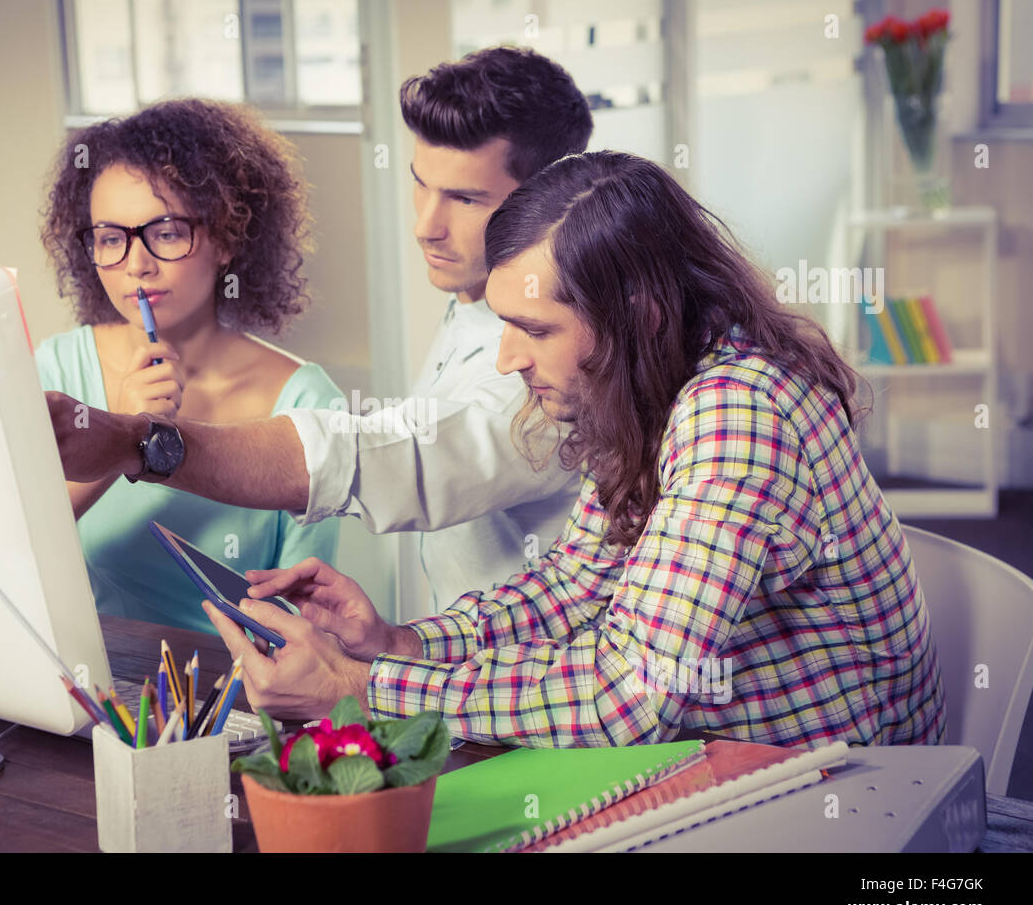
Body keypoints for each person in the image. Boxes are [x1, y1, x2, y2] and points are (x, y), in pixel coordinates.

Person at [200, 150, 947, 750]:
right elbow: (576, 586)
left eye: (535, 329)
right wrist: (395, 644)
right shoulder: (650, 378)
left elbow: (630, 697)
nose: (506, 360)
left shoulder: (738, 413)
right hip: (731, 757)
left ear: (641, 315)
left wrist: (361, 688)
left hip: (848, 796)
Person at [45, 46, 592, 614]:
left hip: (532, 683)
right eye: (420, 184)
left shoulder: (562, 356)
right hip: (451, 652)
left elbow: (403, 465)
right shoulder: (474, 298)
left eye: (464, 198)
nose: (426, 226)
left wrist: (139, 444)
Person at [36, 98, 342, 633]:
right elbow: (13, 548)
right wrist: (121, 433)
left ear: (226, 237)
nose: (137, 265)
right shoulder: (56, 368)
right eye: (111, 238)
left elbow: (304, 618)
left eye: (168, 232)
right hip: (90, 675)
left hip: (239, 691)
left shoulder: (307, 400)